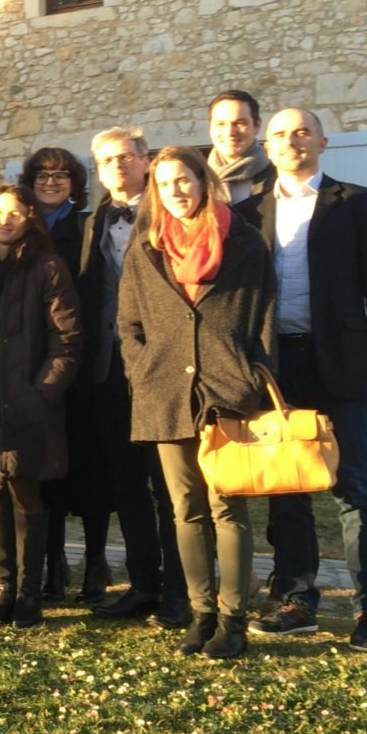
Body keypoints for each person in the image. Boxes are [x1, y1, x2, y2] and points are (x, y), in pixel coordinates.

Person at [242, 109, 367, 651]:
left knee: (354, 489)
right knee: (287, 488)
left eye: (302, 131)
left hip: (342, 363)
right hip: (276, 369)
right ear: (267, 146)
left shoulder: (359, 203)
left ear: (323, 142)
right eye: (280, 134)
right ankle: (295, 600)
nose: (291, 141)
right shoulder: (246, 212)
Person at [118, 144, 275, 659]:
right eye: (164, 184)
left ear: (203, 181)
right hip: (165, 391)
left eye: (183, 179)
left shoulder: (244, 242)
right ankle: (200, 612)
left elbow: (266, 317)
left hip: (227, 389)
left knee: (227, 505)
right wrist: (141, 370)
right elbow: (129, 324)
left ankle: (233, 619)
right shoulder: (145, 249)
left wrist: (252, 377)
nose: (175, 191)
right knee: (185, 508)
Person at [0, 183, 81, 628]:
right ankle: (2, 588)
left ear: (30, 218)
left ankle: (29, 593)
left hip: (26, 393)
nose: (4, 220)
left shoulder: (48, 266)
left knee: (24, 491)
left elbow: (68, 340)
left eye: (15, 213)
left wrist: (42, 392)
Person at [83, 128, 188, 629]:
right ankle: (144, 582)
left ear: (146, 160)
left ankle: (182, 589)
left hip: (163, 367)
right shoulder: (96, 220)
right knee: (126, 482)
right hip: (109, 369)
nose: (117, 166)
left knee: (171, 487)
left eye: (126, 156)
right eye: (107, 160)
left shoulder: (171, 210)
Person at [19, 147, 103, 602]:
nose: (50, 182)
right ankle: (53, 563)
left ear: (75, 182)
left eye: (61, 175)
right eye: (42, 175)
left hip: (81, 362)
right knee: (43, 469)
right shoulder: (21, 229)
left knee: (88, 469)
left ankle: (95, 562)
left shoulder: (88, 227)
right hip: (34, 363)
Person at [206, 90, 275, 206]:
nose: (230, 132)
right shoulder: (197, 182)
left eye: (240, 123)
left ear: (257, 126)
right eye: (220, 124)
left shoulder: (280, 180)